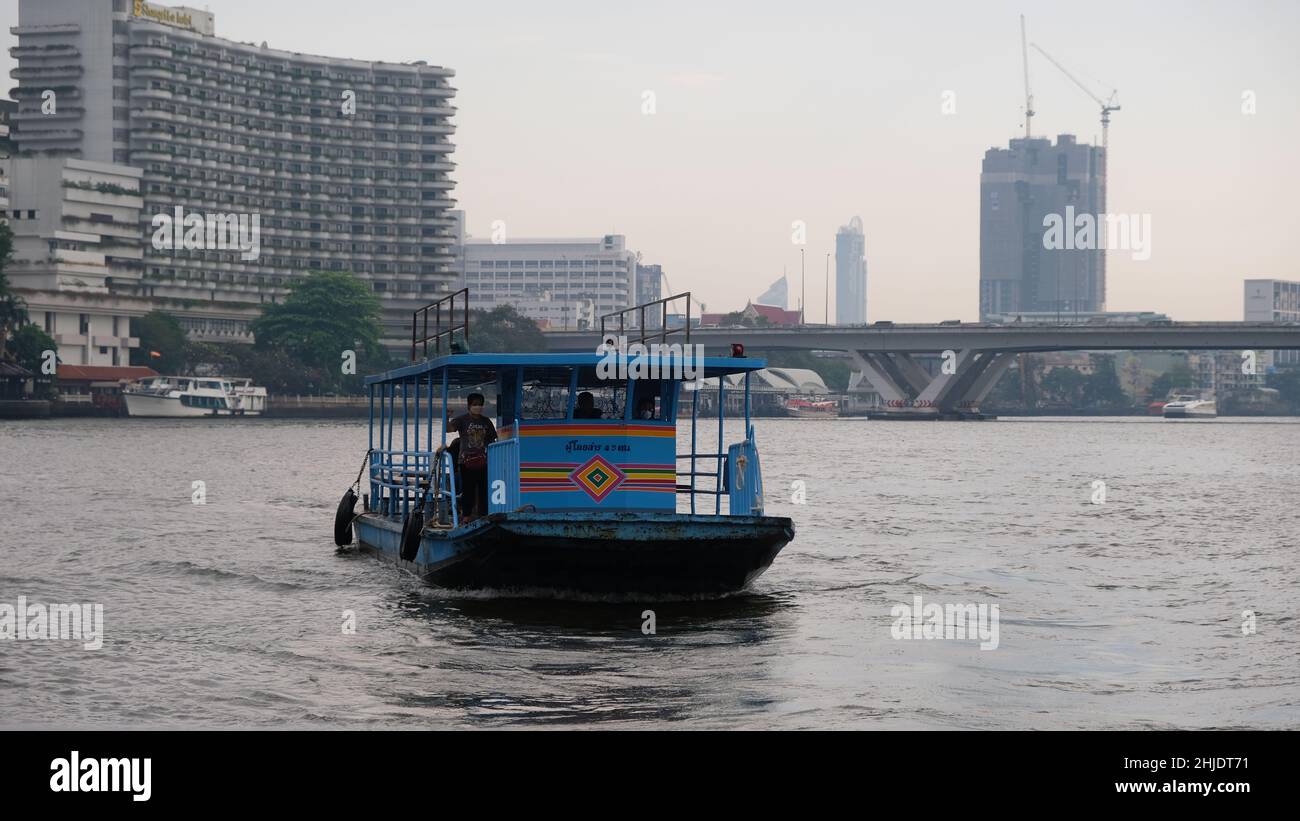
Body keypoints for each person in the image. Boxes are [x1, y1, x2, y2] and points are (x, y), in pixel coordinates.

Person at [446, 393, 497, 521]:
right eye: (475, 404)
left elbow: (493, 439)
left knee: (483, 489)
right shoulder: (462, 420)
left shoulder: (486, 421)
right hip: (465, 461)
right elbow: (449, 429)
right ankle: (467, 516)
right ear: (469, 405)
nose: (478, 407)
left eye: (480, 404)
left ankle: (483, 514)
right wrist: (446, 417)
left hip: (483, 461)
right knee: (468, 489)